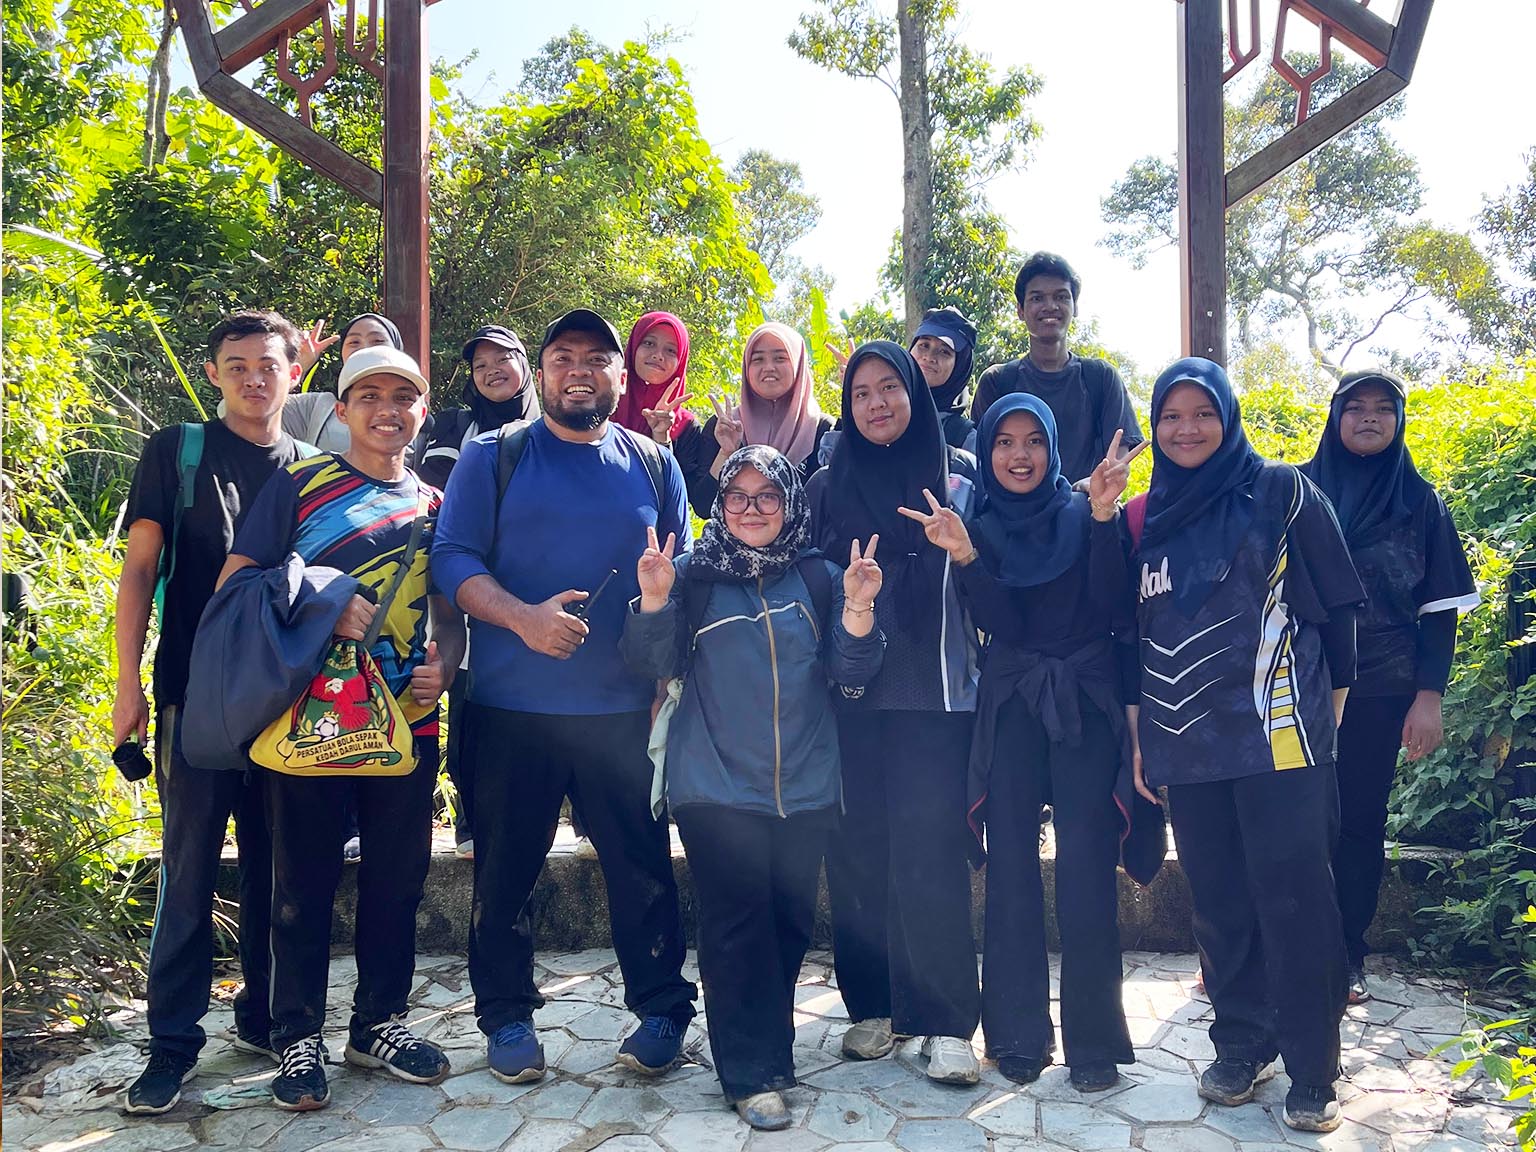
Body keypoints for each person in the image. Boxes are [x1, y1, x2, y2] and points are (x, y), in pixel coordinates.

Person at [431, 307, 698, 1086]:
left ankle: (660, 1012)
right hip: (510, 710)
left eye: (597, 358)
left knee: (642, 870)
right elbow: (452, 558)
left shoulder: (654, 463)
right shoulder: (494, 456)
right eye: (563, 356)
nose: (580, 369)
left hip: (622, 715)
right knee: (505, 874)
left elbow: (679, 577)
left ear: (622, 376)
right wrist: (522, 619)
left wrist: (664, 682)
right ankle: (507, 1016)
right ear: (542, 373)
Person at [218, 345, 464, 1111]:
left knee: (398, 879)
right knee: (303, 884)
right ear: (343, 406)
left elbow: (451, 613)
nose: (388, 409)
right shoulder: (299, 484)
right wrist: (321, 599)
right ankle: (295, 1036)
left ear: (422, 412)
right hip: (310, 720)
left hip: (406, 724)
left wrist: (445, 667)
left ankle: (379, 1024)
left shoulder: (434, 504)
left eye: (404, 397)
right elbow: (239, 585)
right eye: (370, 395)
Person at [1127, 357, 1363, 1134]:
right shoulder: (1150, 517)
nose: (1186, 429)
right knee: (1220, 904)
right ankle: (1242, 1043)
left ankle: (1313, 1071)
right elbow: (1136, 637)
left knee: (1296, 903)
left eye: (1202, 413)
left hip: (1281, 745)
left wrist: (1319, 729)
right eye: (1170, 417)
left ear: (1227, 417)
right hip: (1187, 751)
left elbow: (1338, 621)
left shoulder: (1283, 493)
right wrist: (1144, 741)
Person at [620, 445, 885, 1130]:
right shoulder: (693, 576)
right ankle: (752, 1073)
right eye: (736, 495)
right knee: (737, 926)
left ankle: (769, 1051)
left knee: (789, 923)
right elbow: (651, 663)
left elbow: (851, 679)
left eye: (767, 495)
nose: (751, 509)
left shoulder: (821, 578)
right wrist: (652, 599)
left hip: (804, 784)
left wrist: (857, 610)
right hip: (713, 784)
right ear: (720, 503)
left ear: (791, 500)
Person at [901, 395, 1149, 1091]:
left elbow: (1110, 607)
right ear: (988, 449)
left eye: (1032, 441)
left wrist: (1102, 517)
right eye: (1004, 441)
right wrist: (969, 555)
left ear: (1050, 449)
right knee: (1010, 867)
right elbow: (1003, 622)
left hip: (1086, 701)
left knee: (1086, 870)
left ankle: (1095, 1043)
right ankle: (1015, 1035)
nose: (1017, 455)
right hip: (1011, 702)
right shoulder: (976, 524)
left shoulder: (1083, 510)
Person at [115, 310, 311, 1115]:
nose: (254, 379)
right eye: (237, 366)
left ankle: (263, 1015)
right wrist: (127, 685)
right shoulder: (179, 451)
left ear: (293, 372)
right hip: (191, 697)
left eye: (268, 364)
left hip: (284, 703)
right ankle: (171, 1045)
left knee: (278, 867)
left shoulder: (313, 467)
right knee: (189, 868)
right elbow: (138, 572)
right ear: (214, 375)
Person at [807, 341, 984, 1085]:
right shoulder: (824, 484)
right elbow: (805, 572)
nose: (876, 404)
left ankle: (944, 1021)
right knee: (855, 851)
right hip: (849, 694)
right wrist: (847, 590)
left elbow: (998, 587)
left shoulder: (963, 481)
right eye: (861, 393)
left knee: (930, 850)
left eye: (891, 388)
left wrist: (960, 550)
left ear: (916, 394)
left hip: (936, 697)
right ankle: (871, 1007)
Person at [1300, 370, 1478, 1003]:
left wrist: (1428, 696)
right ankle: (1277, 950)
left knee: (1357, 821)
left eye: (1382, 409)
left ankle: (1345, 951)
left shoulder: (1419, 503)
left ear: (1399, 420)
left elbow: (1439, 610)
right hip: (1293, 683)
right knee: (1288, 821)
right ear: (1336, 416)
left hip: (1380, 689)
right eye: (1356, 408)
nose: (1369, 419)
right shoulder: (1295, 489)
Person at [417, 324, 541, 860]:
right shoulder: (452, 427)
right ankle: (469, 823)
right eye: (480, 364)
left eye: (504, 359)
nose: (492, 370)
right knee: (468, 708)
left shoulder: (554, 430)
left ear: (527, 368)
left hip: (536, 596)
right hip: (464, 593)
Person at [971, 252, 1143, 482]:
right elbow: (981, 456)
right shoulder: (997, 380)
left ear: (1075, 307)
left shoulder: (1100, 378)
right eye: (1037, 298)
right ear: (1020, 311)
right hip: (1013, 515)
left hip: (1086, 510)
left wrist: (1096, 484)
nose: (1050, 306)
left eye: (1061, 297)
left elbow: (1119, 452)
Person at [684, 322, 834, 517]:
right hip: (733, 547)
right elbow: (704, 508)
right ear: (746, 367)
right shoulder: (723, 426)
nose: (769, 367)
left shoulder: (821, 430)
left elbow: (833, 507)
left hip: (805, 547)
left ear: (798, 364)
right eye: (758, 359)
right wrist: (726, 453)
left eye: (780, 358)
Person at [909, 305, 980, 453]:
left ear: (960, 366)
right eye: (924, 345)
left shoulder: (965, 439)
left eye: (944, 351)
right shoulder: (883, 414)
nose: (929, 357)